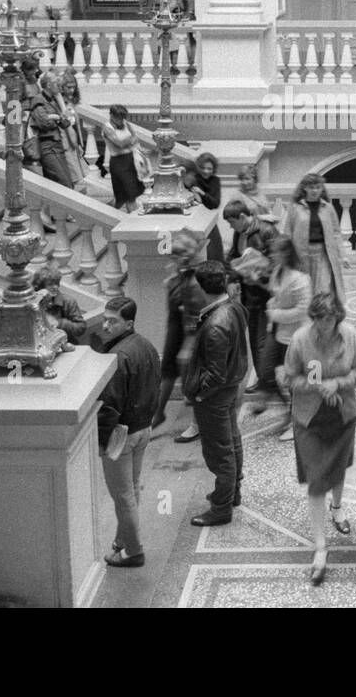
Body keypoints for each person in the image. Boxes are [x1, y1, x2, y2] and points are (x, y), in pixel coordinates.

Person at [277, 292, 356, 585]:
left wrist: (337, 383)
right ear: (312, 319)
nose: (325, 324)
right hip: (310, 417)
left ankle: (337, 510)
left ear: (338, 316)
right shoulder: (301, 340)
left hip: (342, 414)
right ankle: (320, 548)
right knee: (316, 479)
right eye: (319, 319)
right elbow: (289, 378)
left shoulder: (350, 335)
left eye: (330, 318)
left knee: (338, 468)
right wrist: (317, 386)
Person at [89, 296, 160, 568]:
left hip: (121, 436)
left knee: (123, 496)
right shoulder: (146, 345)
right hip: (144, 429)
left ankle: (134, 551)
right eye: (104, 319)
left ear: (128, 322)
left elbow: (109, 407)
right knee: (132, 488)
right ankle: (121, 541)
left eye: (112, 321)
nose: (105, 325)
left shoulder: (118, 356)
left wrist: (100, 443)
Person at [184, 260, 249, 527]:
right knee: (232, 442)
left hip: (214, 396)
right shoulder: (233, 307)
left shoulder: (215, 325)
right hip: (230, 389)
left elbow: (215, 373)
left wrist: (199, 395)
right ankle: (231, 493)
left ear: (202, 288)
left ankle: (221, 508)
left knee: (219, 452)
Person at [154, 229, 210, 443]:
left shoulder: (194, 279)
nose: (171, 260)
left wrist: (189, 344)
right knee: (169, 368)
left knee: (192, 376)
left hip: (192, 330)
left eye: (174, 256)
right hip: (178, 324)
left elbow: (197, 315)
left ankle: (198, 424)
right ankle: (159, 413)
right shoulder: (180, 274)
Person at [224, 199, 278, 395]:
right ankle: (264, 378)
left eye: (232, 222)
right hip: (249, 293)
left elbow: (277, 259)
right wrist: (233, 276)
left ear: (242, 217)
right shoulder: (239, 231)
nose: (230, 226)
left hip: (265, 292)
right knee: (255, 337)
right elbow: (232, 256)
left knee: (261, 338)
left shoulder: (266, 231)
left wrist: (258, 273)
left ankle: (267, 379)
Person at [262, 235, 311, 440]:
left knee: (293, 380)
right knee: (265, 373)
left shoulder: (300, 279)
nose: (272, 255)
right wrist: (272, 305)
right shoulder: (278, 272)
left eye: (275, 252)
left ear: (285, 253)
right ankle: (289, 413)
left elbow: (303, 309)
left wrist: (275, 313)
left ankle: (298, 420)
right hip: (277, 331)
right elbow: (275, 295)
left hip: (294, 335)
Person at [280, 173, 347, 305]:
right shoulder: (295, 208)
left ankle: (322, 316)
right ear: (304, 188)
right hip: (301, 255)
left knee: (324, 288)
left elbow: (336, 233)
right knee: (304, 288)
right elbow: (288, 233)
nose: (315, 191)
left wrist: (343, 255)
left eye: (318, 187)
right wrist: (286, 257)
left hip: (323, 253)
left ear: (322, 188)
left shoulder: (328, 208)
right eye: (311, 187)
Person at [28, 70, 75, 188]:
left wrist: (59, 117)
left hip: (57, 145)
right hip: (48, 146)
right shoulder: (38, 100)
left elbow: (65, 123)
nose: (59, 87)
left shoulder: (54, 101)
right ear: (49, 85)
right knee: (64, 183)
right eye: (56, 84)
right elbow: (44, 123)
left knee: (60, 182)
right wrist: (57, 118)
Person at [184, 153, 225, 262]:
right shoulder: (193, 179)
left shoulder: (215, 181)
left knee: (214, 252)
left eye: (209, 168)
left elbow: (215, 203)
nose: (206, 171)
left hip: (208, 220)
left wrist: (202, 193)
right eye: (203, 168)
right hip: (195, 222)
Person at [33, 264, 88, 344]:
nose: (55, 287)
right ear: (41, 287)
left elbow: (81, 327)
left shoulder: (68, 302)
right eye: (50, 284)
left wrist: (60, 323)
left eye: (56, 283)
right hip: (41, 345)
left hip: (65, 344)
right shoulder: (33, 302)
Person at [103, 105, 143, 211]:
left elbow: (136, 137)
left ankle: (131, 217)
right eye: (118, 117)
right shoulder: (107, 128)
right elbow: (119, 144)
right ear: (111, 115)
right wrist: (130, 140)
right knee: (124, 195)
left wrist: (129, 141)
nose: (121, 120)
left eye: (122, 117)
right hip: (119, 163)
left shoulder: (126, 124)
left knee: (133, 194)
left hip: (130, 160)